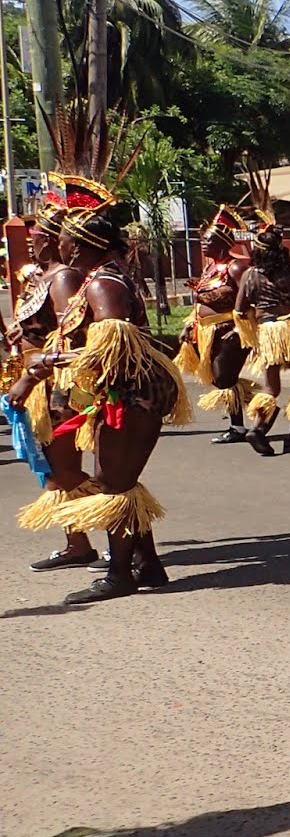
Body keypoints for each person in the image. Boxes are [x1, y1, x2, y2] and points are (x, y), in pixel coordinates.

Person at [18, 203, 191, 603]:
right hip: (121, 398)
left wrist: (42, 366)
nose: (56, 241)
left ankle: (119, 575)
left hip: (129, 400)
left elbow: (110, 351)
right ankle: (147, 565)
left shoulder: (102, 285)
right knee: (120, 478)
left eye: (62, 237)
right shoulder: (99, 279)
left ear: (76, 247)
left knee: (114, 483)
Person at [9, 175, 115, 571]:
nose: (31, 240)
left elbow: (71, 333)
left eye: (37, 234)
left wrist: (39, 373)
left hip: (56, 383)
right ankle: (78, 542)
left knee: (66, 467)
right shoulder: (46, 277)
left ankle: (115, 541)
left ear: (54, 240)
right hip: (38, 381)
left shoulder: (65, 278)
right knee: (52, 467)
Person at [233, 221, 290, 456]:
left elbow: (239, 309)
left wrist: (253, 323)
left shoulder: (250, 275)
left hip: (267, 333)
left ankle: (258, 429)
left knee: (271, 388)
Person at [175, 204, 255, 442]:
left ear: (222, 242)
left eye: (209, 240)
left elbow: (251, 300)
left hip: (230, 330)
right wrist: (189, 325)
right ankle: (246, 418)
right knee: (220, 378)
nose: (203, 243)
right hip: (206, 331)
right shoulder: (210, 268)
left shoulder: (237, 266)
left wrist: (241, 329)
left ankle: (240, 427)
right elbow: (200, 300)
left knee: (224, 377)